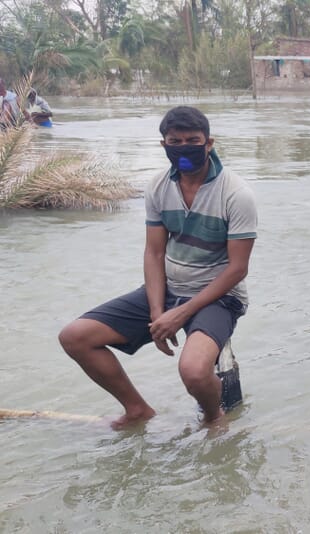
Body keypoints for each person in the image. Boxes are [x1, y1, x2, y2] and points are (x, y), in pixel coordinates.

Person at [59, 106, 258, 429]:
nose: (184, 148)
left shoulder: (236, 193)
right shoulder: (158, 186)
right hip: (168, 289)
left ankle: (213, 418)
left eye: (192, 140)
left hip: (220, 296)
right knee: (75, 337)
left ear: (209, 143)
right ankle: (137, 409)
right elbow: (153, 253)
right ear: (163, 145)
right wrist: (157, 311)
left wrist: (180, 314)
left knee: (193, 371)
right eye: (174, 141)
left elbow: (237, 269)